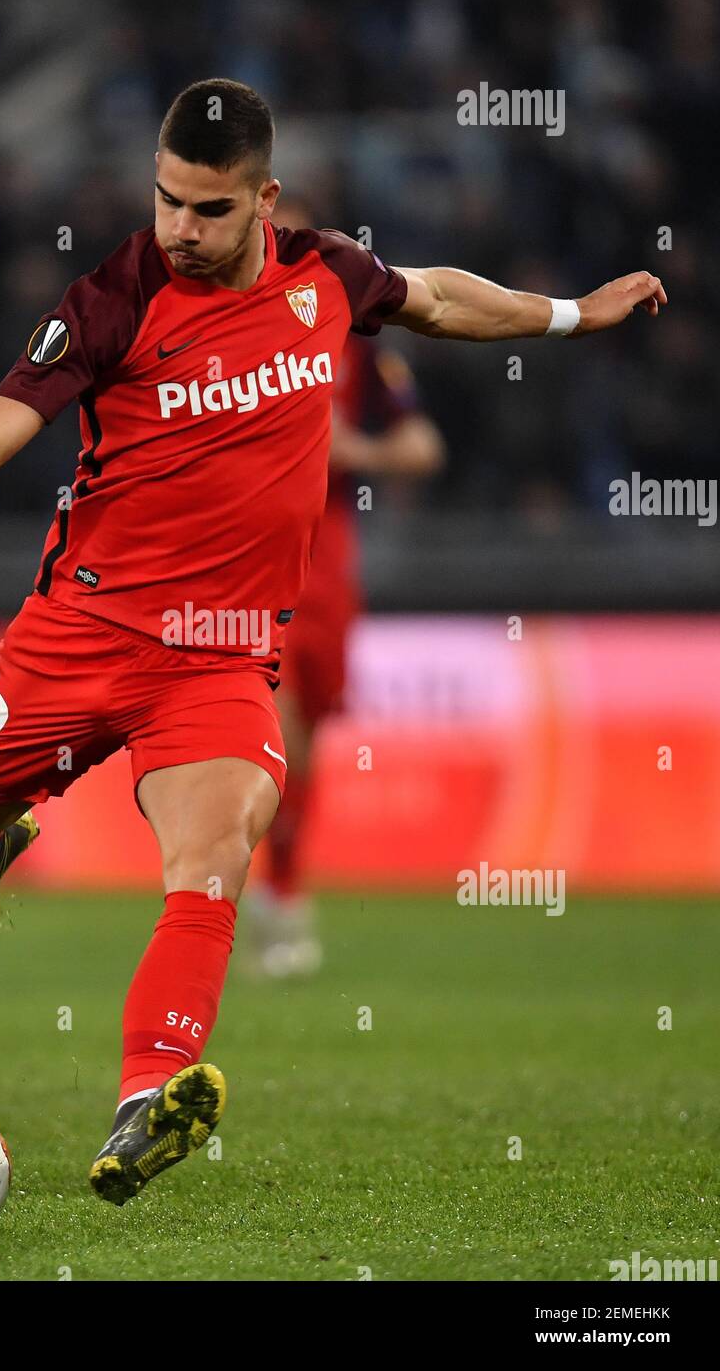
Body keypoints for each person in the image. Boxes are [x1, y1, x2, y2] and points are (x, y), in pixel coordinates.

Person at [0, 78, 666, 1207]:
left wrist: (575, 315)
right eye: (167, 201)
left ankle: (149, 1094)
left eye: (208, 210)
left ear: (265, 200)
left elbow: (441, 298)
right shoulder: (110, 300)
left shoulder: (328, 275)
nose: (179, 229)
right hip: (78, 635)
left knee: (220, 845)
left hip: (222, 653)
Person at [247, 196, 446, 977]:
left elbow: (422, 445)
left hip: (329, 565)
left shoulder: (352, 335)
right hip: (250, 560)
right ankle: (256, 896)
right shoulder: (220, 329)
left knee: (310, 743)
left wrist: (347, 453)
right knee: (278, 731)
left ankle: (282, 884)